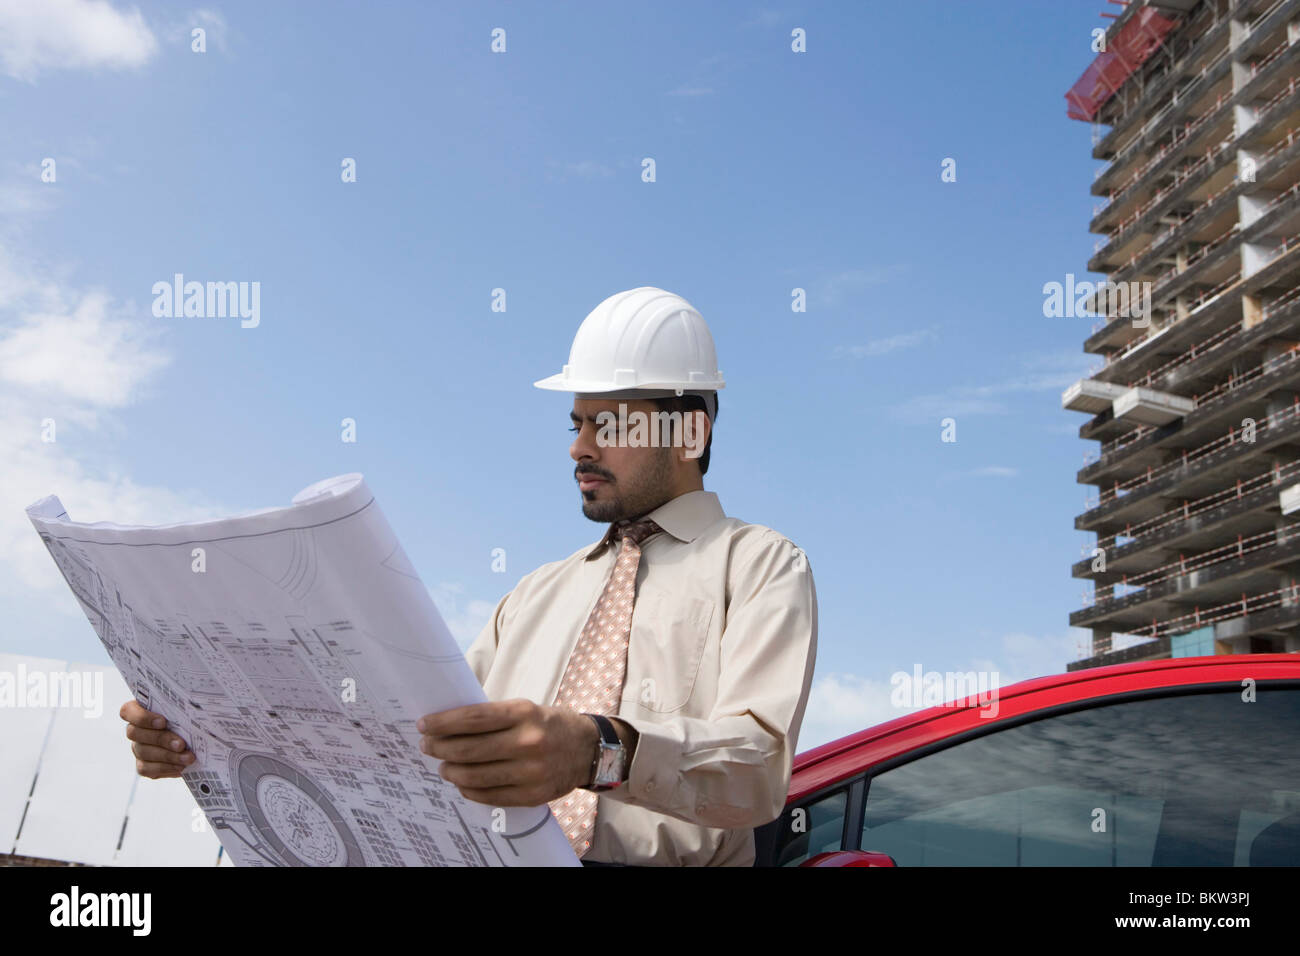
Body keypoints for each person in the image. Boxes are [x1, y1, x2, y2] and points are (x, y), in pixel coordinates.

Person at [121, 286, 818, 867]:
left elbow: (757, 772)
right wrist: (211, 739)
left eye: (608, 423)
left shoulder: (759, 566)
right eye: (576, 422)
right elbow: (417, 742)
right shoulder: (535, 596)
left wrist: (597, 751)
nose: (578, 447)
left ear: (689, 432)